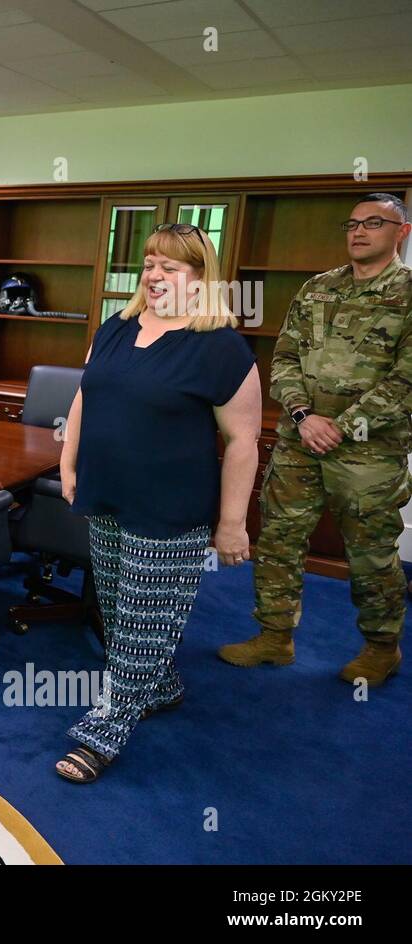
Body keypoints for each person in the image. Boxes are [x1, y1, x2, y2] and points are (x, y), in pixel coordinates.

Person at [56, 223, 261, 783]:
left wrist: (232, 523)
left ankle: (106, 728)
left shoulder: (222, 347)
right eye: (149, 264)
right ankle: (161, 685)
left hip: (172, 508)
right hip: (108, 492)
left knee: (146, 618)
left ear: (200, 278)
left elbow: (244, 441)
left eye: (171, 268)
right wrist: (69, 461)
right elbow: (84, 396)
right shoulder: (116, 328)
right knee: (122, 610)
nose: (154, 276)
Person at [220, 193, 412, 687]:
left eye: (373, 223)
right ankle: (274, 637)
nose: (359, 231)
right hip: (299, 440)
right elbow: (282, 358)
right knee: (280, 541)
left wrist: (340, 426)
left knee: (370, 555)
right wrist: (305, 416)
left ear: (401, 232)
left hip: (369, 454)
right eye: (351, 224)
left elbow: (405, 382)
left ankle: (381, 647)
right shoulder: (317, 288)